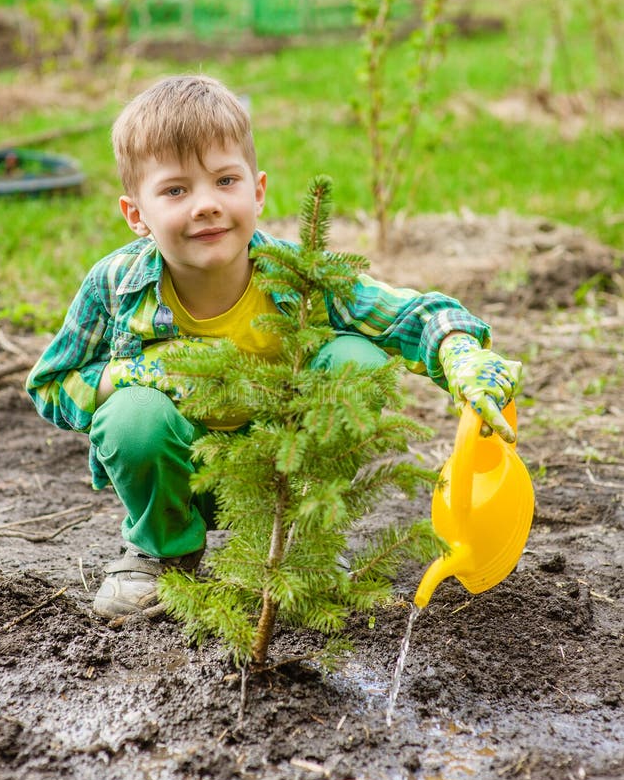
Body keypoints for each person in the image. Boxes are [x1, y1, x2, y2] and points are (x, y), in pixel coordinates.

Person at [26, 75, 522, 619]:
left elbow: (404, 312)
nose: (206, 205)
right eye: (175, 190)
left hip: (283, 478)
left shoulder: (294, 274)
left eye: (225, 180)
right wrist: (131, 375)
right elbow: (52, 382)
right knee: (133, 416)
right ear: (136, 214)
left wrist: (459, 353)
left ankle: (300, 545)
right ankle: (161, 554)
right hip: (179, 476)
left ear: (257, 191)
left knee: (356, 361)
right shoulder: (116, 286)